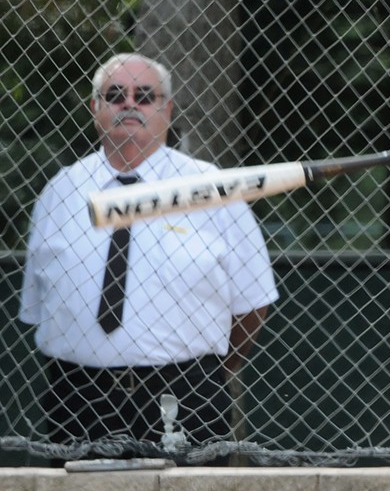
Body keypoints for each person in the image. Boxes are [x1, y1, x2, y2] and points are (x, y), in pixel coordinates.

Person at [18, 53, 278, 461]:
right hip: (77, 398)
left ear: (167, 108)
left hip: (188, 394)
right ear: (96, 108)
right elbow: (37, 306)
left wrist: (204, 371)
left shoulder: (214, 189)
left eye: (145, 96)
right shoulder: (61, 192)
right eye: (115, 95)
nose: (129, 104)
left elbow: (254, 304)